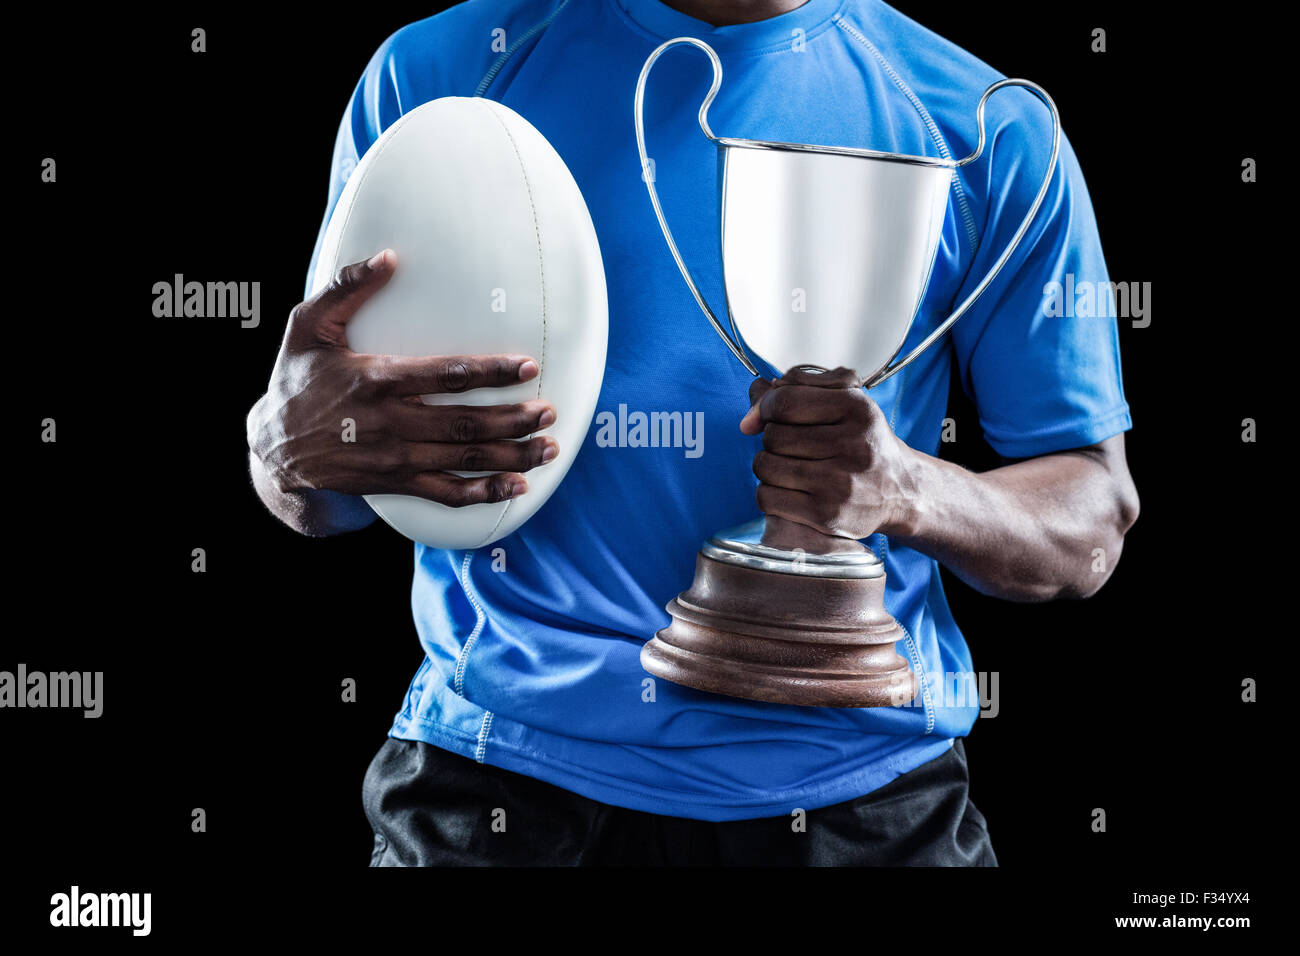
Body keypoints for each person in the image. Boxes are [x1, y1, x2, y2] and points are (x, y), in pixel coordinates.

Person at [246, 0, 1138, 866]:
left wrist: (911, 490)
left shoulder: (983, 129)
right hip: (495, 789)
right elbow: (322, 497)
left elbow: (1090, 523)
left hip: (863, 802)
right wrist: (286, 452)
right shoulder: (441, 75)